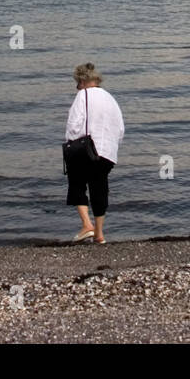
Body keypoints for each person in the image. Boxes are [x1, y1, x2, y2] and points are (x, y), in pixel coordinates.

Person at [64, 62, 124, 244]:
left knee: (77, 184)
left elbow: (74, 125)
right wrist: (111, 146)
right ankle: (99, 234)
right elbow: (120, 129)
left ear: (82, 81)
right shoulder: (110, 98)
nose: (77, 87)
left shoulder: (83, 95)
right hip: (108, 152)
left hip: (86, 149)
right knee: (100, 189)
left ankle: (86, 225)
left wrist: (70, 144)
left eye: (77, 83)